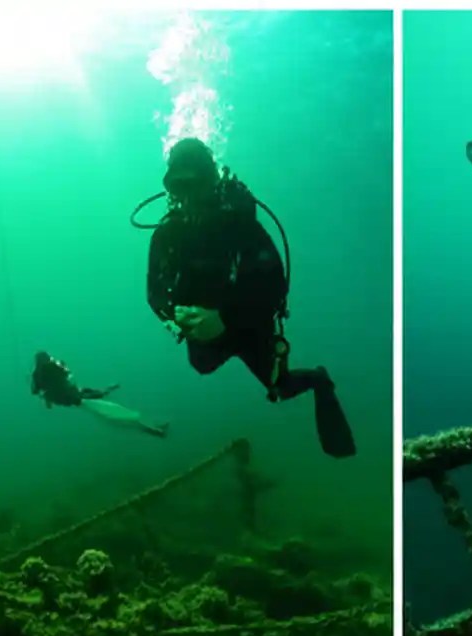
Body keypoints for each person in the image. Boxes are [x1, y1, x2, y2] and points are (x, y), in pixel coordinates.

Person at [141, 137, 356, 459]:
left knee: (279, 387)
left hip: (248, 323)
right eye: (179, 187)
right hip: (199, 328)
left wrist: (224, 319)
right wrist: (175, 320)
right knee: (203, 365)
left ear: (212, 181)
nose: (189, 197)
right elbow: (155, 293)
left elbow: (275, 285)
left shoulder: (240, 224)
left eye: (196, 184)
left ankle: (319, 381)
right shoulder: (168, 235)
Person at [31, 351, 169, 439]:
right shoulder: (52, 369)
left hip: (79, 399)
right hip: (80, 399)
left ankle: (152, 428)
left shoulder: (42, 378)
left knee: (116, 414)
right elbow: (69, 380)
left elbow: (41, 391)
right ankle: (154, 428)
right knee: (121, 413)